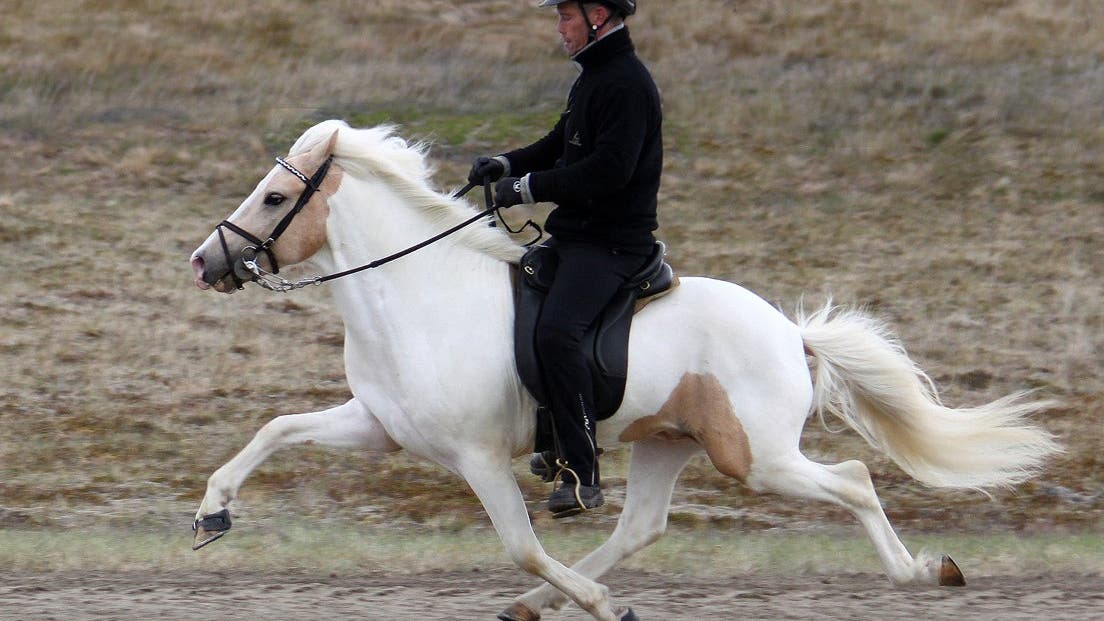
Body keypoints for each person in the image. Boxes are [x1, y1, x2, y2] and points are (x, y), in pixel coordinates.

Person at [468, 0, 663, 517]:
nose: (560, 28)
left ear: (597, 15)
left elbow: (608, 172)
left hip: (612, 245)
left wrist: (527, 187)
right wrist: (506, 164)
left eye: (565, 17)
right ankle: (549, 440)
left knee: (558, 333)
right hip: (578, 236)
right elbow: (562, 144)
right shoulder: (595, 77)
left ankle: (582, 474)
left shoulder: (625, 84)